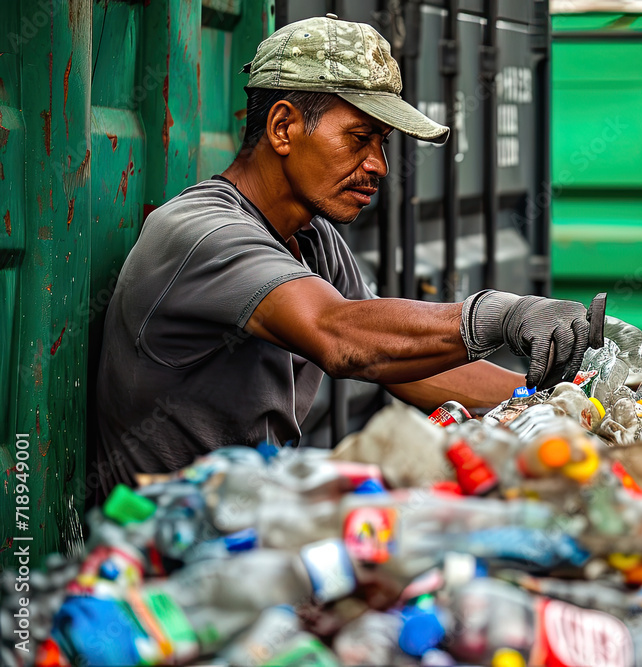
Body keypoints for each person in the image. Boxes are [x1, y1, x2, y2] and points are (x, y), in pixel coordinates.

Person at [93, 14, 598, 496]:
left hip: (253, 520)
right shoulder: (207, 235)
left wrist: (560, 403)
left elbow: (400, 361)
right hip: (167, 550)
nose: (378, 164)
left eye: (381, 143)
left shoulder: (309, 236)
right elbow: (339, 333)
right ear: (283, 128)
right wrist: (501, 315)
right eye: (359, 139)